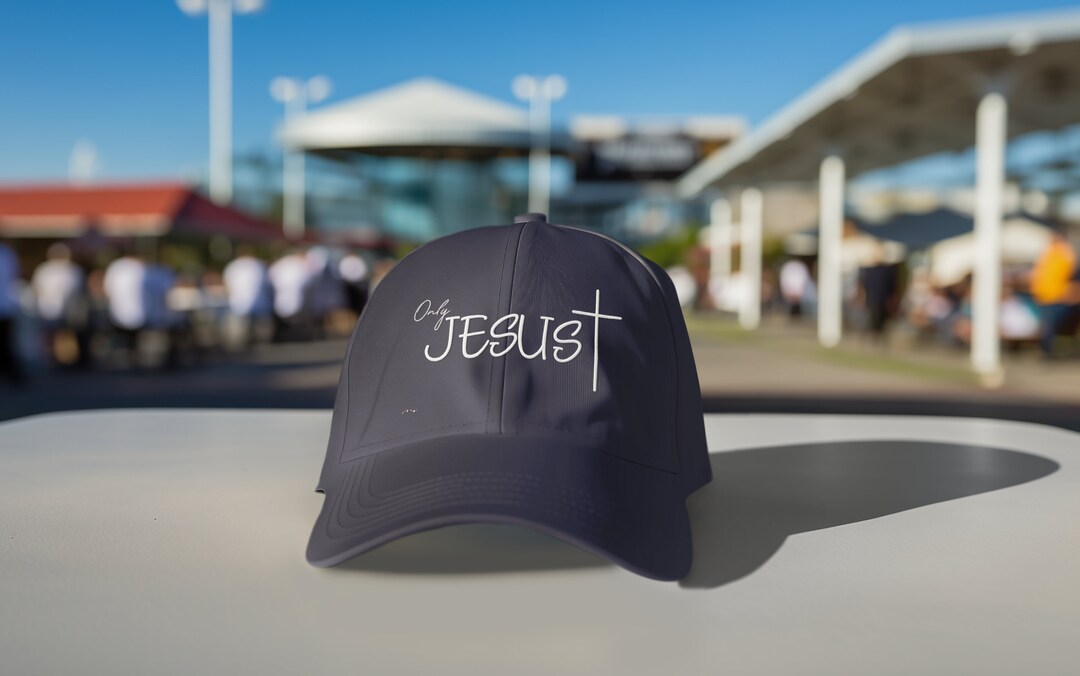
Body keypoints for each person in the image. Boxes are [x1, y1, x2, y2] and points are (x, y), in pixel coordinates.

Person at [31, 243, 86, 365]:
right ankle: (60, 359)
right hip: (59, 310)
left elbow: (36, 289)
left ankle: (55, 359)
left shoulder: (44, 270)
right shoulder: (73, 271)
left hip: (51, 310)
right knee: (60, 336)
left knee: (53, 336)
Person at [1030, 227, 1077, 358]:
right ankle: (1046, 350)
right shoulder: (1050, 253)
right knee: (1047, 325)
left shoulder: (1064, 253)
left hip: (1056, 296)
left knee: (1050, 326)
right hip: (1045, 296)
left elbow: (1069, 275)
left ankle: (1048, 351)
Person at [223, 246, 273, 348]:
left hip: (238, 304)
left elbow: (227, 287)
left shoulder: (232, 266)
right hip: (261, 305)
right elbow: (268, 284)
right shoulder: (259, 265)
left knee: (241, 335)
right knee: (261, 334)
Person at [268, 248, 313, 341]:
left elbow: (270, 277)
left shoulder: (282, 263)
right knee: (297, 320)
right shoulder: (301, 264)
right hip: (296, 297)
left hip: (281, 296)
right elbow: (309, 281)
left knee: (285, 319)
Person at [857, 243, 900, 340]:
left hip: (883, 299)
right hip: (872, 298)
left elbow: (892, 287)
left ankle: (878, 336)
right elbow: (863, 285)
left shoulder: (888, 271)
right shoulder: (869, 270)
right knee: (873, 318)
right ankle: (873, 336)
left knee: (881, 319)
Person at [0, 237, 25, 384]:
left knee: (6, 344)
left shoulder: (7, 253)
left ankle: (13, 375)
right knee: (7, 343)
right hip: (8, 305)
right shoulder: (8, 253)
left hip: (6, 305)